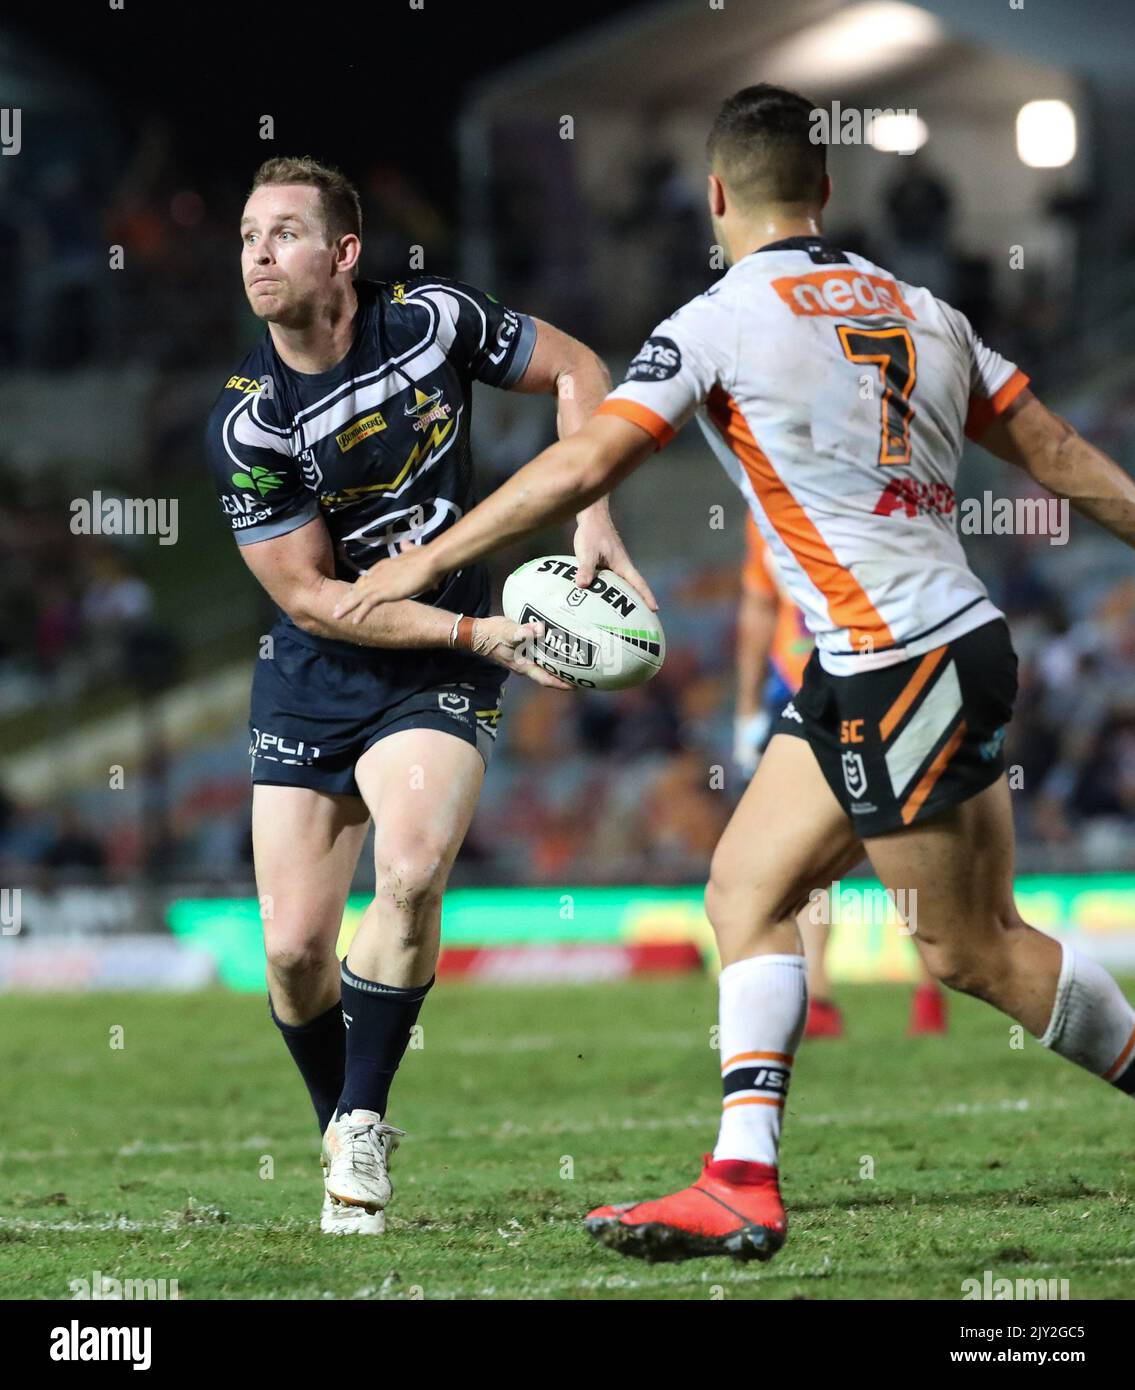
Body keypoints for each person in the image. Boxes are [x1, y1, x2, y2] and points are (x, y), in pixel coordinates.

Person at [335, 85, 1135, 1264]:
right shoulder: (922, 309)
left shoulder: (715, 321)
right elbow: (1060, 455)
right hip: (922, 649)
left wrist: (430, 557)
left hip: (894, 666)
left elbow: (586, 459)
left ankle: (745, 1177)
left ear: (715, 196)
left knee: (972, 950)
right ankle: (739, 1179)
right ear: (825, 190)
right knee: (745, 890)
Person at [204, 156, 649, 1236]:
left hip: (441, 667)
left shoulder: (433, 321)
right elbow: (316, 601)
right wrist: (478, 626)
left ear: (343, 254)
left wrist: (593, 519)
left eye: (286, 234)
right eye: (250, 235)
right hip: (329, 665)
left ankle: (362, 1123)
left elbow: (578, 369)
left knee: (407, 870)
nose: (259, 254)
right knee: (294, 951)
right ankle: (335, 1123)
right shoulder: (254, 423)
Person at [735, 514, 947, 1038]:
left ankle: (926, 989)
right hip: (804, 685)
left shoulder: (851, 496)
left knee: (893, 837)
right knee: (817, 851)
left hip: (870, 675)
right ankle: (827, 996)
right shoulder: (765, 507)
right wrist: (745, 709)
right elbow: (760, 607)